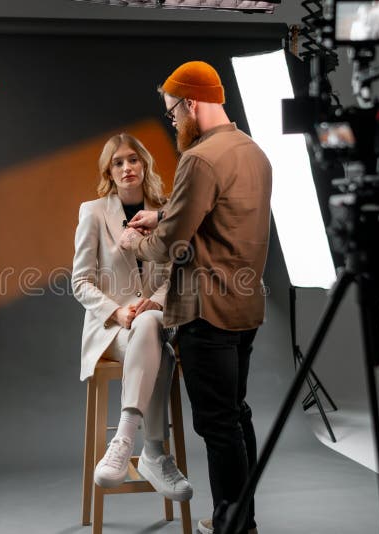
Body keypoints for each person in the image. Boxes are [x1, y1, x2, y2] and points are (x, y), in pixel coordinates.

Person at [120, 61, 272, 534]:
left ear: (190, 104)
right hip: (244, 306)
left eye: (171, 114)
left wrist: (136, 241)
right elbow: (216, 216)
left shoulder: (200, 158)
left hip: (206, 310)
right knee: (236, 415)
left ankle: (231, 525)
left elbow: (169, 245)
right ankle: (241, 518)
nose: (171, 122)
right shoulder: (253, 152)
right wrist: (161, 212)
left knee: (217, 425)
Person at [72, 133, 193, 502]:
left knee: (151, 325)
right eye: (118, 162)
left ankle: (125, 438)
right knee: (162, 352)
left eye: (133, 160)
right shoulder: (92, 211)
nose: (127, 168)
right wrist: (118, 310)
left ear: (144, 164)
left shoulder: (167, 209)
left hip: (154, 321)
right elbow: (80, 281)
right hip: (113, 332)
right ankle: (154, 451)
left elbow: (177, 272)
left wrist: (155, 302)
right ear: (109, 171)